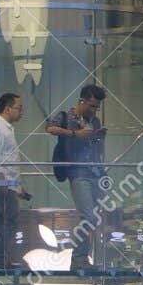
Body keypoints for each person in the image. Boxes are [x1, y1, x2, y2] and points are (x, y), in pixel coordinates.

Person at [46, 84, 108, 269]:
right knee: (88, 215)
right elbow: (50, 128)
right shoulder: (66, 116)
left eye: (96, 107)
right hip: (77, 172)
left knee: (93, 217)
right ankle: (78, 258)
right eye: (91, 105)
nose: (93, 110)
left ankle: (82, 257)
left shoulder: (95, 121)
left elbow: (96, 147)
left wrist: (97, 138)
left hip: (94, 172)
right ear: (82, 101)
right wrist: (75, 133)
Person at [0, 93, 29, 268]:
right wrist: (7, 185)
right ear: (8, 109)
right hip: (4, 186)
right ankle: (1, 259)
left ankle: (4, 258)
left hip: (9, 185)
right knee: (6, 222)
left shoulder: (5, 127)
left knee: (10, 221)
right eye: (19, 108)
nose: (22, 112)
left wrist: (17, 185)